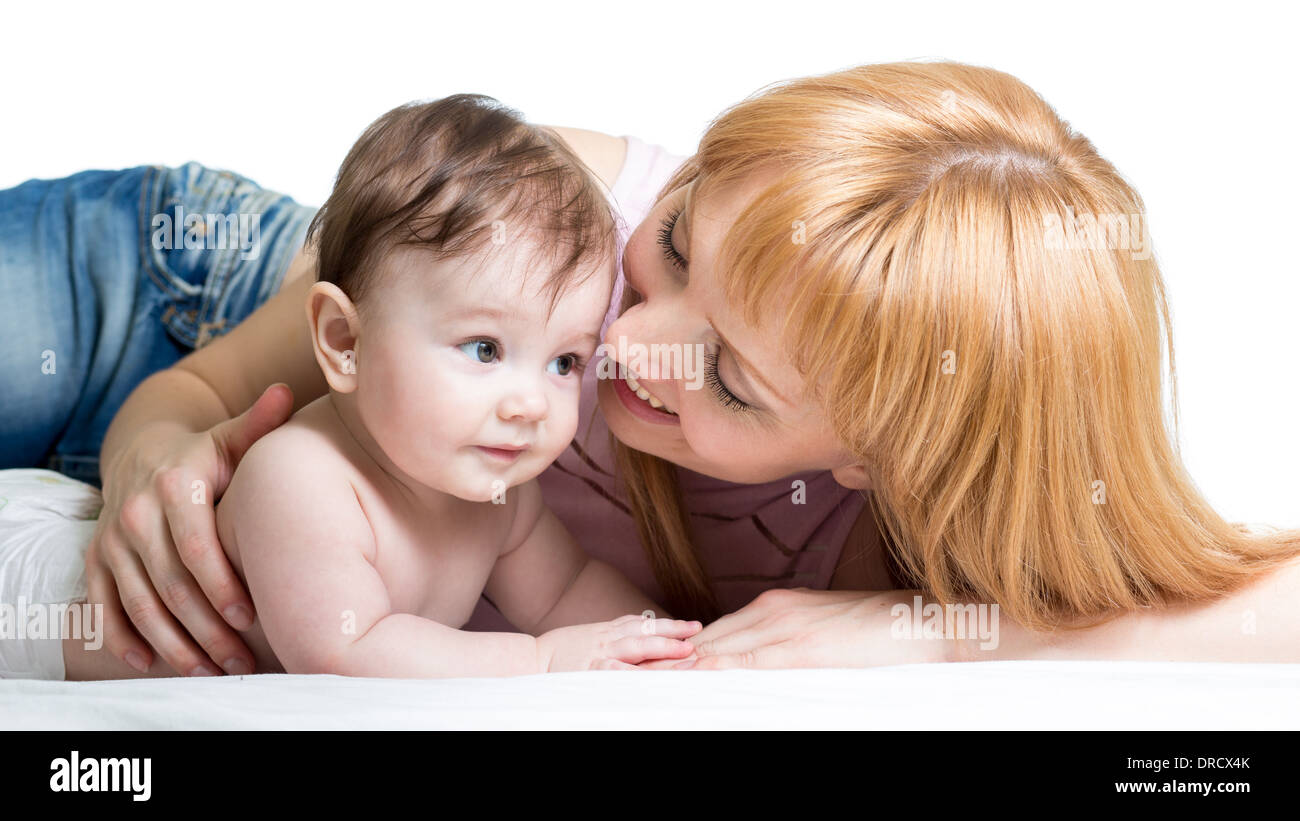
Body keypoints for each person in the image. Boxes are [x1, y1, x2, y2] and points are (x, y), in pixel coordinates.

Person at [4, 61, 1297, 679]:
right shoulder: (567, 196)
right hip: (156, 283)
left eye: (729, 379)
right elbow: (192, 392)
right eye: (674, 243)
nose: (624, 340)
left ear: (874, 459)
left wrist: (911, 628)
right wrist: (149, 466)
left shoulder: (874, 535)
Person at [46, 95, 699, 681]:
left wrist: (676, 649)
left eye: (564, 363)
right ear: (342, 342)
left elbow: (567, 590)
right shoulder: (302, 475)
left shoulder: (501, 497)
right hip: (31, 595)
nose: (530, 403)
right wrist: (543, 659)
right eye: (485, 349)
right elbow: (348, 649)